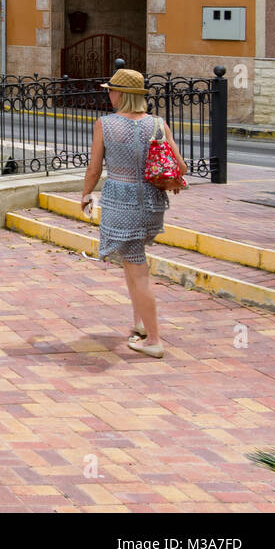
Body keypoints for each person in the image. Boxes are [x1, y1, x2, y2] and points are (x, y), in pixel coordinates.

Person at [79, 68, 186, 359]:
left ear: (121, 94)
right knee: (131, 263)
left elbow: (95, 168)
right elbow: (181, 166)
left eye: (111, 90)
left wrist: (86, 193)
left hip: (121, 202)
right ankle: (139, 324)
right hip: (152, 202)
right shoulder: (157, 124)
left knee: (137, 270)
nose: (109, 94)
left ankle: (154, 339)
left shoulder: (106, 124)